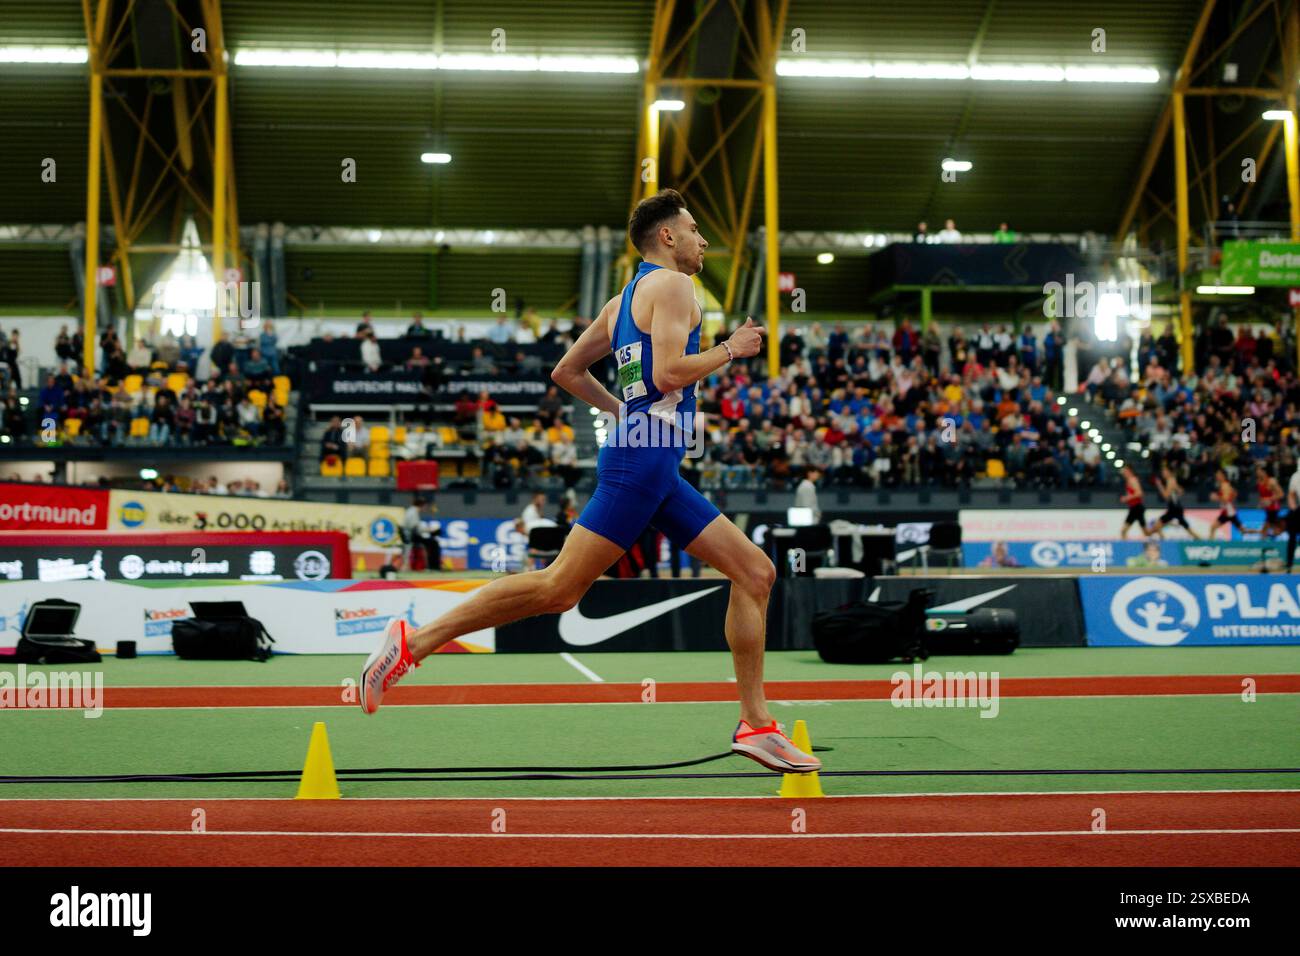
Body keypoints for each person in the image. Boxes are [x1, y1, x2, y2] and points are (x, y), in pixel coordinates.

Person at [360, 187, 818, 775]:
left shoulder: (622, 300)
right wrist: (731, 348)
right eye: (695, 229)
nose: (705, 240)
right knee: (558, 589)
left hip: (651, 460)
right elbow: (668, 371)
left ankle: (757, 725)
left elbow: (566, 371)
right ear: (668, 237)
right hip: (640, 464)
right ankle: (414, 641)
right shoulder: (677, 286)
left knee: (756, 571)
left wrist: (619, 410)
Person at [1148, 464, 1198, 539]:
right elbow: (1181, 491)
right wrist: (1176, 491)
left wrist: (1159, 485)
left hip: (1174, 509)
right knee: (1187, 528)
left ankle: (1164, 543)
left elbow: (1166, 496)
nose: (1163, 473)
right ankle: (1200, 539)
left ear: (1169, 472)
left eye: (1164, 471)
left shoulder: (1170, 480)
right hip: (1175, 508)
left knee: (1156, 527)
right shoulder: (1173, 479)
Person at [1209, 469, 1244, 539]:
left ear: (1223, 476)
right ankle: (1261, 532)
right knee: (1243, 530)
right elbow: (1235, 493)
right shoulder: (1225, 484)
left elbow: (1225, 500)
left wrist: (1216, 497)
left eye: (1218, 474)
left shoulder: (1224, 485)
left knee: (1213, 527)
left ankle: (1211, 546)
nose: (1216, 476)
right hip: (1228, 510)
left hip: (1229, 512)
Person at [1255, 463, 1286, 539]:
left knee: (1265, 530)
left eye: (1258, 470)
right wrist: (1261, 503)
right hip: (1267, 509)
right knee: (1274, 530)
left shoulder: (1271, 481)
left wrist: (1269, 499)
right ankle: (1270, 544)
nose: (1256, 471)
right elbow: (1262, 496)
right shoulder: (1259, 481)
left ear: (1264, 471)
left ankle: (1265, 547)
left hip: (1274, 508)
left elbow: (1281, 494)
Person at [1119, 465, 1150, 539]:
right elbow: (1133, 493)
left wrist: (1126, 498)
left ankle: (1126, 547)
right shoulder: (1129, 480)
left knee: (1123, 531)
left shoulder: (1132, 480)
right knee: (1146, 532)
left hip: (1137, 508)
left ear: (1129, 471)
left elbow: (1139, 493)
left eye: (1125, 471)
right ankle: (1158, 531)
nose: (1123, 473)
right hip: (1135, 508)